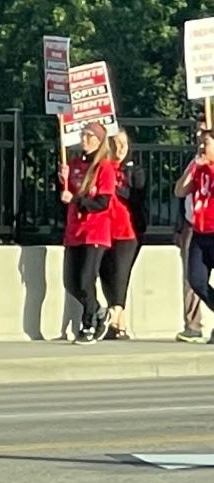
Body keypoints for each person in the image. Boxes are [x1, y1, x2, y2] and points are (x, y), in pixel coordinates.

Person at [59, 122, 117, 345]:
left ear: (98, 140)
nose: (84, 139)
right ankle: (98, 311)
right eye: (83, 135)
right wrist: (63, 181)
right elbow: (67, 193)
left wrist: (76, 199)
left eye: (89, 135)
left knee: (85, 280)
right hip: (75, 231)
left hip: (95, 231)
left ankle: (89, 323)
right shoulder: (74, 164)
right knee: (70, 282)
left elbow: (101, 202)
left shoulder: (104, 168)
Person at [99, 129, 145, 340]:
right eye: (115, 143)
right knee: (106, 275)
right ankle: (120, 326)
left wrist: (114, 187)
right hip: (102, 231)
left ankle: (113, 314)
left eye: (124, 144)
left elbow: (136, 196)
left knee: (120, 273)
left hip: (127, 231)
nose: (120, 149)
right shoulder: (100, 168)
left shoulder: (134, 171)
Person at [175, 119, 207, 343]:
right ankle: (192, 324)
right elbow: (180, 192)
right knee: (193, 278)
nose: (199, 135)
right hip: (194, 225)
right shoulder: (194, 162)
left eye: (205, 132)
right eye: (198, 130)